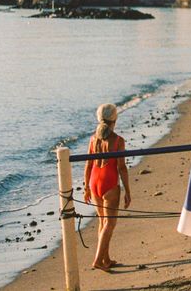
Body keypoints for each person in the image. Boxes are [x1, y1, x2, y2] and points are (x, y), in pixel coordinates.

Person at [82, 103, 131, 271]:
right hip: (109, 182)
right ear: (114, 119)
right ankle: (97, 260)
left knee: (103, 222)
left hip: (94, 182)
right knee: (109, 224)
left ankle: (106, 258)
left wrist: (86, 187)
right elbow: (121, 168)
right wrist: (128, 191)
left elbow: (88, 165)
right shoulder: (118, 140)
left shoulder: (93, 139)